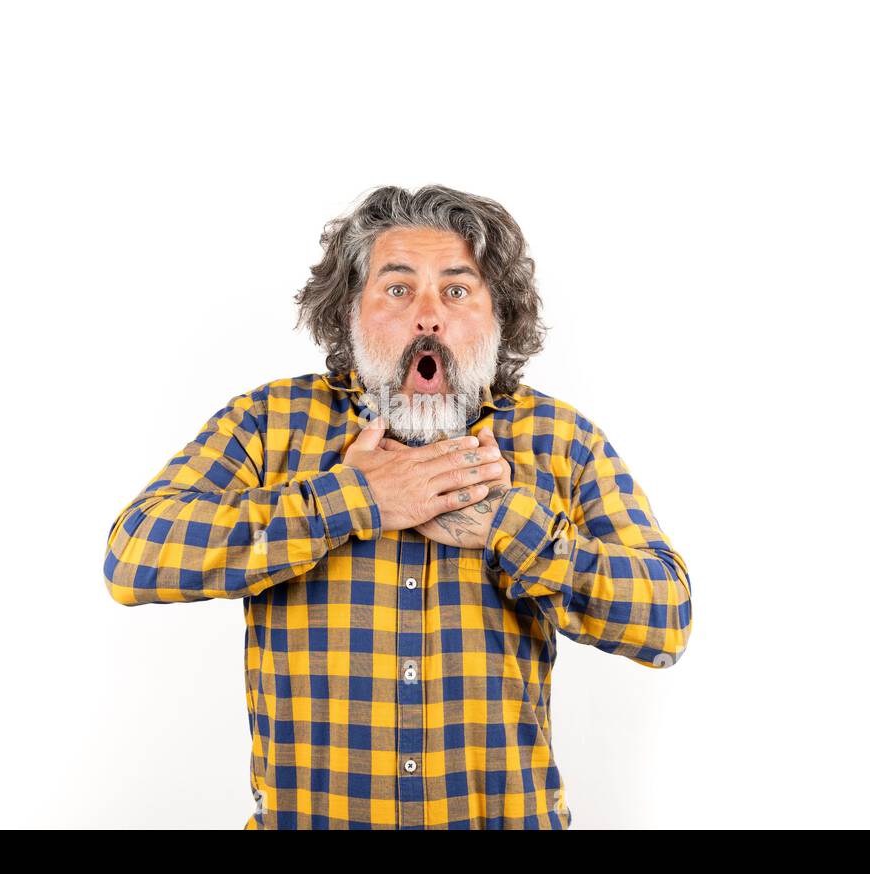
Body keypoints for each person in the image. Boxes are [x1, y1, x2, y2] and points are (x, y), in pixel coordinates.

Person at [103, 184, 692, 829]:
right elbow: (134, 555)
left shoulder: (559, 438)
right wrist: (353, 500)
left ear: (499, 318)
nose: (428, 315)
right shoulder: (269, 423)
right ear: (350, 311)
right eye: (397, 288)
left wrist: (509, 524)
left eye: (458, 290)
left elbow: (666, 618)